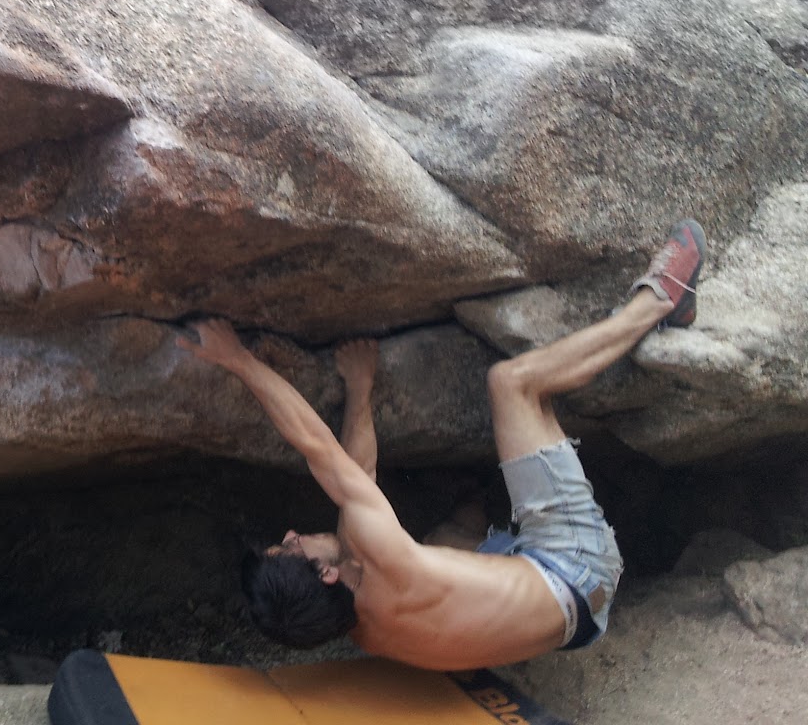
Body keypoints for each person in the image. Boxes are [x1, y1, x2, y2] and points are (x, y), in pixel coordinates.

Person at [178, 220, 706, 670]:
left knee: (443, 540)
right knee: (513, 385)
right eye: (291, 547)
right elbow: (318, 449)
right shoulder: (385, 556)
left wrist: (361, 388)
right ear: (327, 574)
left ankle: (476, 497)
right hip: (578, 564)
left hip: (577, 626)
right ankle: (660, 301)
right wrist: (237, 360)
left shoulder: (361, 628)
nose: (292, 533)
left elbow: (356, 479)